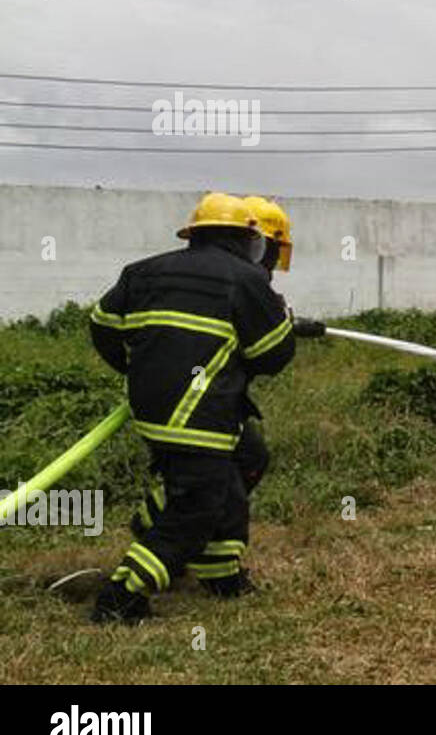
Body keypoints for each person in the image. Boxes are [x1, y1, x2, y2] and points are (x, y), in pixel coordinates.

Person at [88, 192, 296, 623]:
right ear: (247, 241)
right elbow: (272, 357)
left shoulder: (142, 272)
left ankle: (220, 574)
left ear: (194, 235)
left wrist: (132, 368)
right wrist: (281, 321)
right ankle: (123, 595)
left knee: (248, 458)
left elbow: (101, 325)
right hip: (199, 415)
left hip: (154, 409)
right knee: (198, 505)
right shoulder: (245, 279)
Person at [235, 196, 324, 495]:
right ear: (258, 245)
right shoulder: (245, 281)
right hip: (204, 404)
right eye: (274, 252)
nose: (273, 264)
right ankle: (171, 528)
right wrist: (281, 331)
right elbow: (271, 358)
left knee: (228, 468)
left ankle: (202, 521)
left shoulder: (222, 274)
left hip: (182, 396)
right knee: (246, 461)